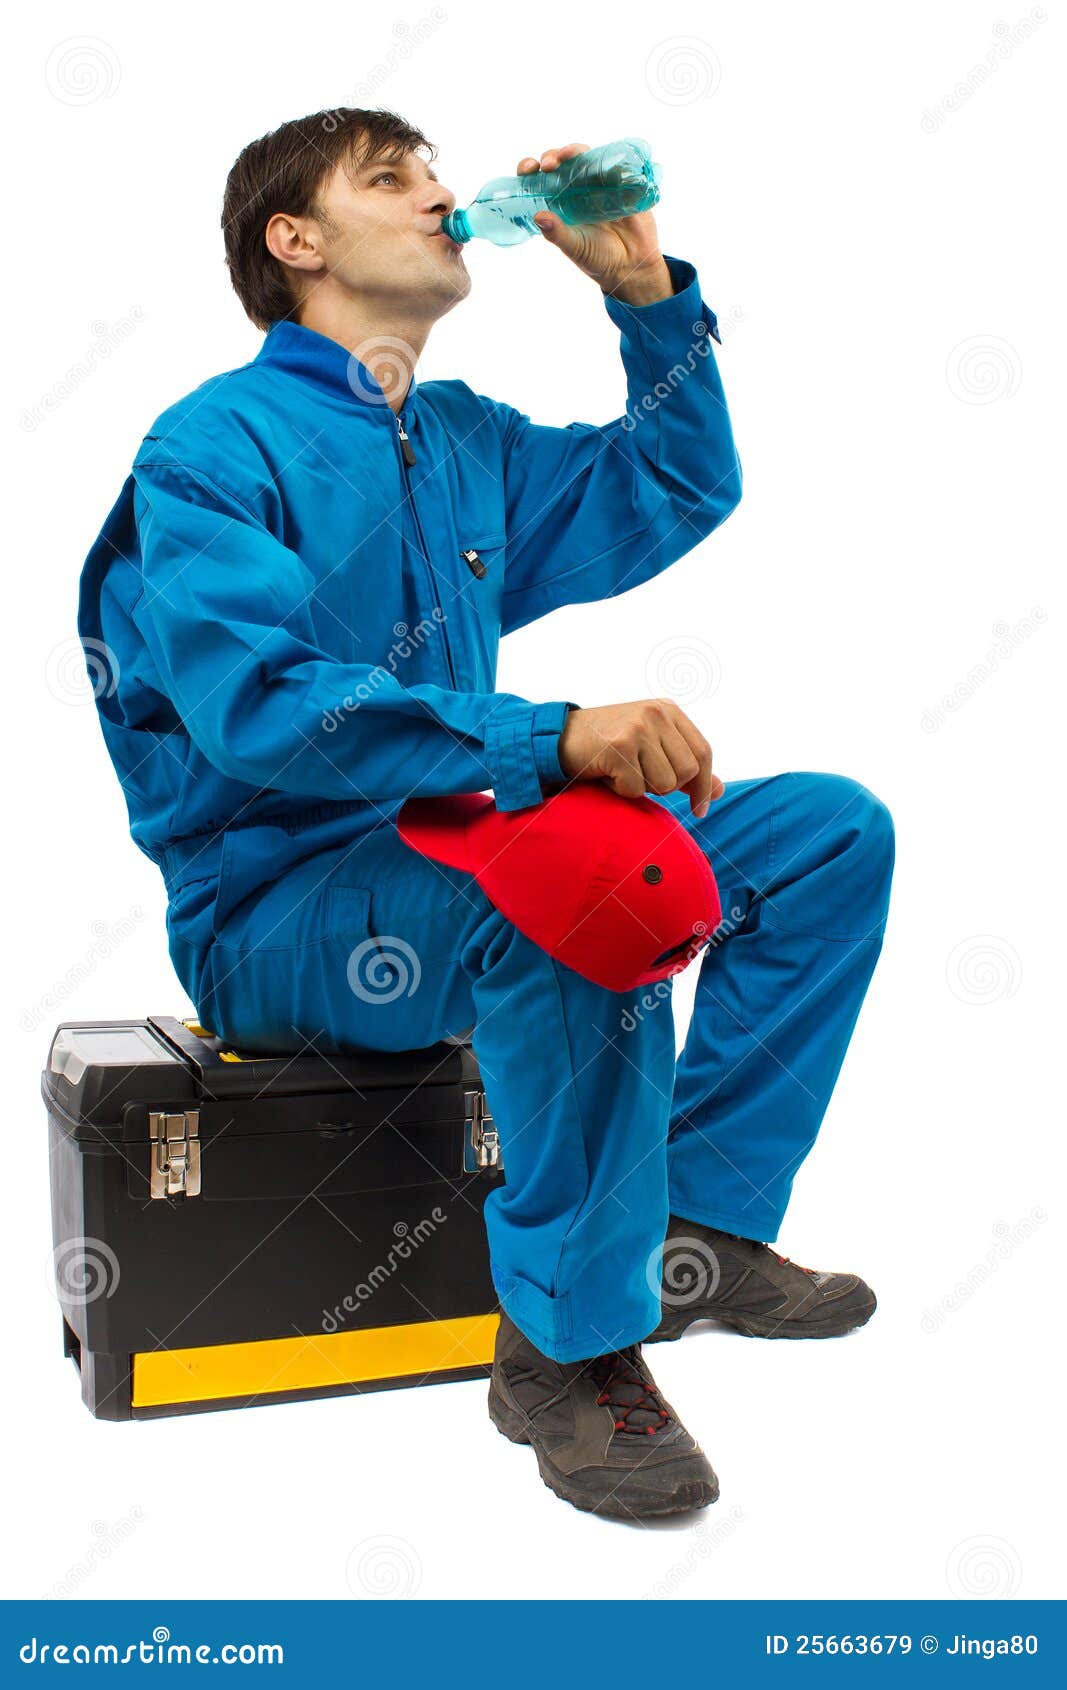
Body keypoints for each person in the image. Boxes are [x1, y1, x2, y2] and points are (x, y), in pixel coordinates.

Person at [78, 108, 894, 1521]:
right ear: (299, 240)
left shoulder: (458, 441)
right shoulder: (209, 448)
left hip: (456, 847)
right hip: (281, 909)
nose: (444, 196)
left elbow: (678, 480)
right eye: (391, 178)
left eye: (442, 173)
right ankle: (566, 1351)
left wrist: (646, 295)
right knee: (583, 899)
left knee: (829, 833)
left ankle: (691, 1224)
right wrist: (553, 735)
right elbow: (262, 703)